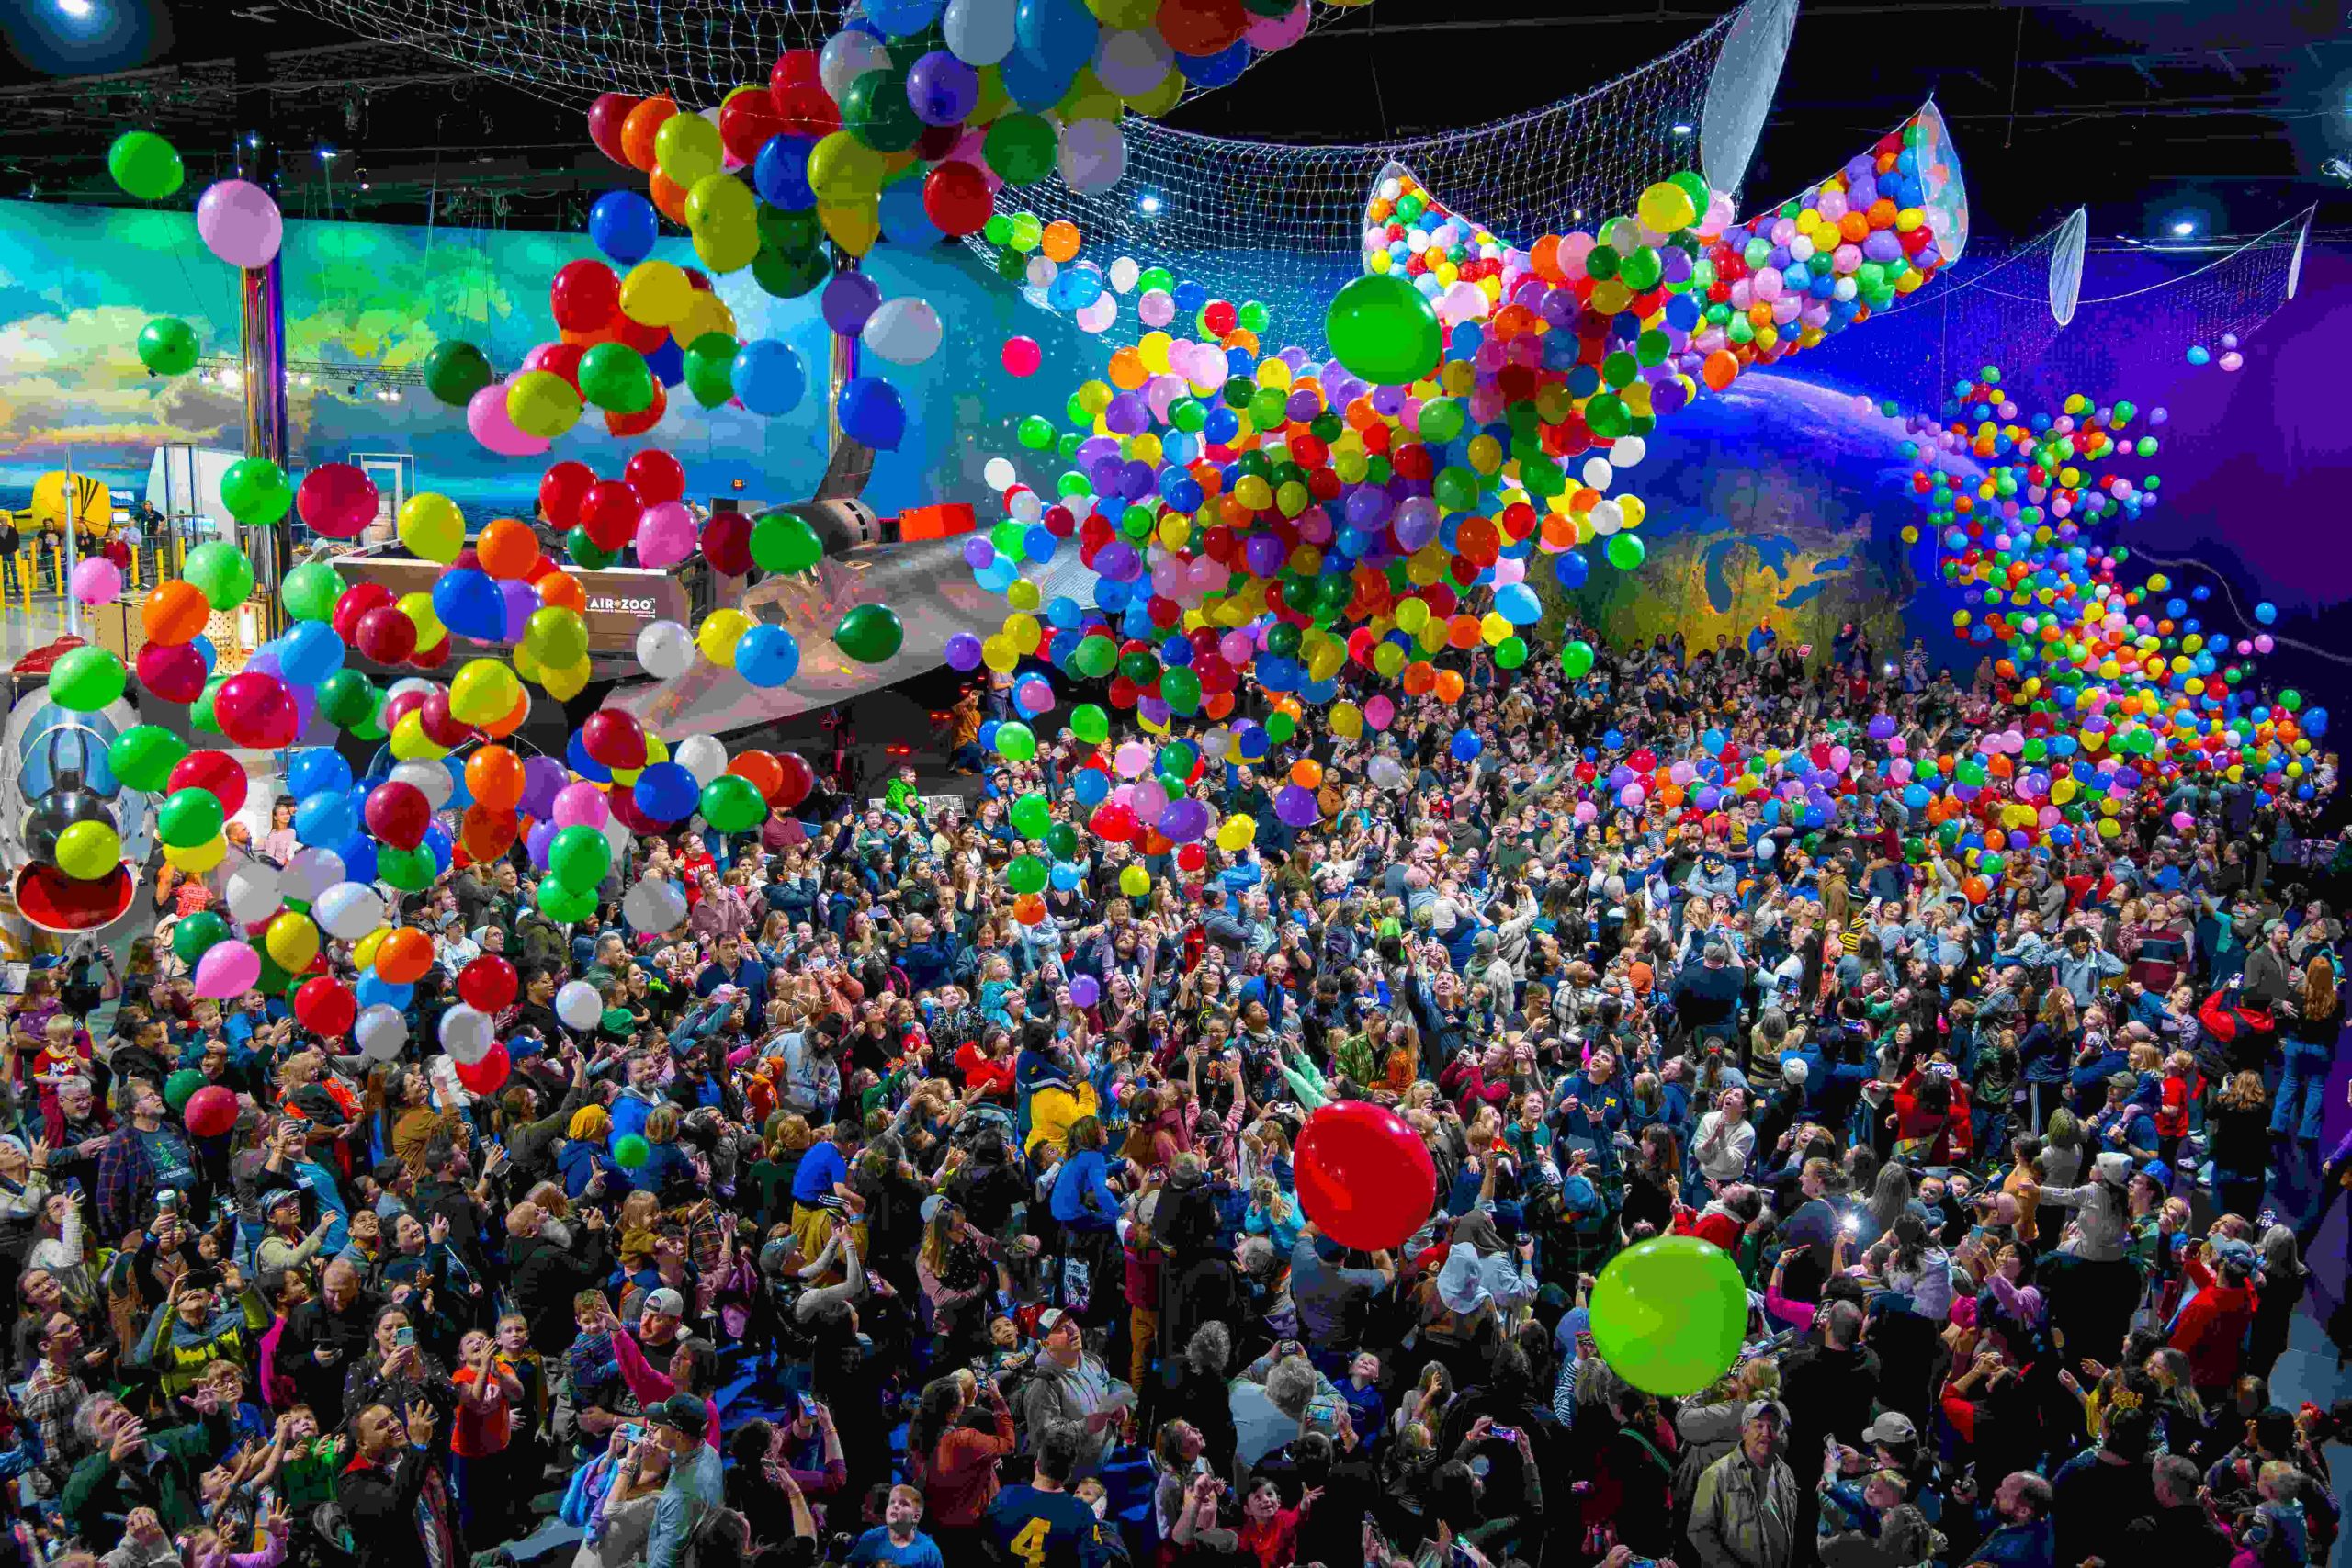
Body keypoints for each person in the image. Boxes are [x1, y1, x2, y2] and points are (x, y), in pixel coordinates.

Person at [1689, 1398, 1800, 1568]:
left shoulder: (1786, 1473)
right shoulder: (1716, 1475)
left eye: (1773, 1427)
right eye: (1759, 1426)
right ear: (1744, 1430)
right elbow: (1699, 1533)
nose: (1766, 1433)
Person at [850, 1483, 949, 1568]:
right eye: (892, 1502)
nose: (896, 1506)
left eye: (904, 1504)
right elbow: (851, 1564)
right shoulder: (869, 1538)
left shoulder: (929, 1550)